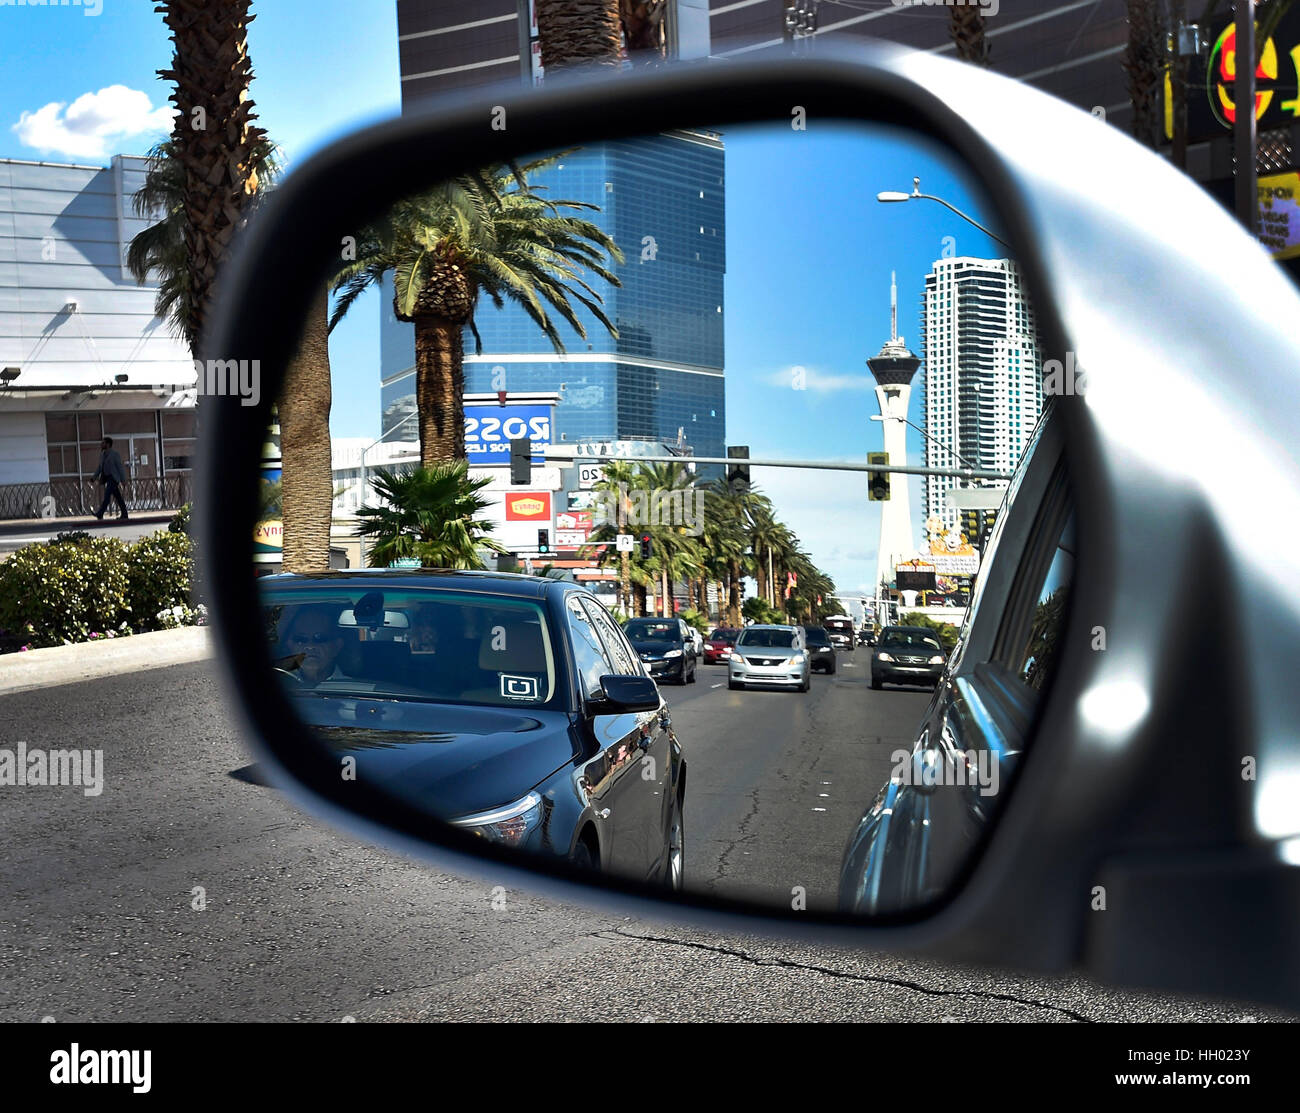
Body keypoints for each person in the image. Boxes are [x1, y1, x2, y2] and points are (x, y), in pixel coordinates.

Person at [281, 603, 346, 687]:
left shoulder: (356, 691)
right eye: (301, 639)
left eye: (319, 638)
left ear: (337, 646)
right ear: (290, 645)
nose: (310, 646)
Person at [92, 437, 128, 522]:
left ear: (108, 444)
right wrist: (94, 477)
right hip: (107, 478)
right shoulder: (103, 455)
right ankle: (124, 514)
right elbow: (100, 467)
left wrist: (123, 480)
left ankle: (100, 513)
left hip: (113, 478)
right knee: (118, 497)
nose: (101, 445)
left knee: (107, 496)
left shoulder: (114, 454)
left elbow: (120, 467)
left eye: (103, 443)